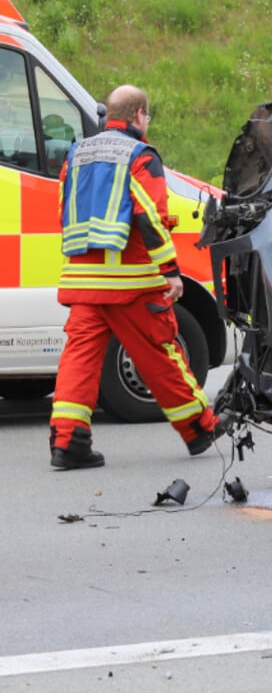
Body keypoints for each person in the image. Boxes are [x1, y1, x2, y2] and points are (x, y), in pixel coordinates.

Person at [49, 84, 223, 470]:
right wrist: (170, 271)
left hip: (83, 279)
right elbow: (150, 218)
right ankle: (199, 428)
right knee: (160, 353)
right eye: (148, 116)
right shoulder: (140, 156)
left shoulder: (76, 154)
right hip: (130, 281)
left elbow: (64, 209)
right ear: (139, 115)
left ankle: (68, 443)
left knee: (79, 361)